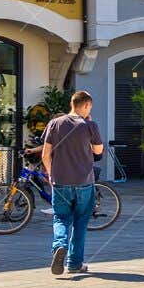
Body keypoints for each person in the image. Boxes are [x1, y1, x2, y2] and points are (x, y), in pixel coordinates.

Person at [41, 90, 104, 276]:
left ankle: (59, 245)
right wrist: (89, 126)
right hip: (84, 182)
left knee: (60, 218)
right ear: (86, 105)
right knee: (80, 222)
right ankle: (74, 263)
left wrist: (51, 175)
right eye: (89, 107)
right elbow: (99, 151)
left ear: (71, 103)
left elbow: (45, 154)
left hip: (60, 181)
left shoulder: (55, 123)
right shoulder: (89, 125)